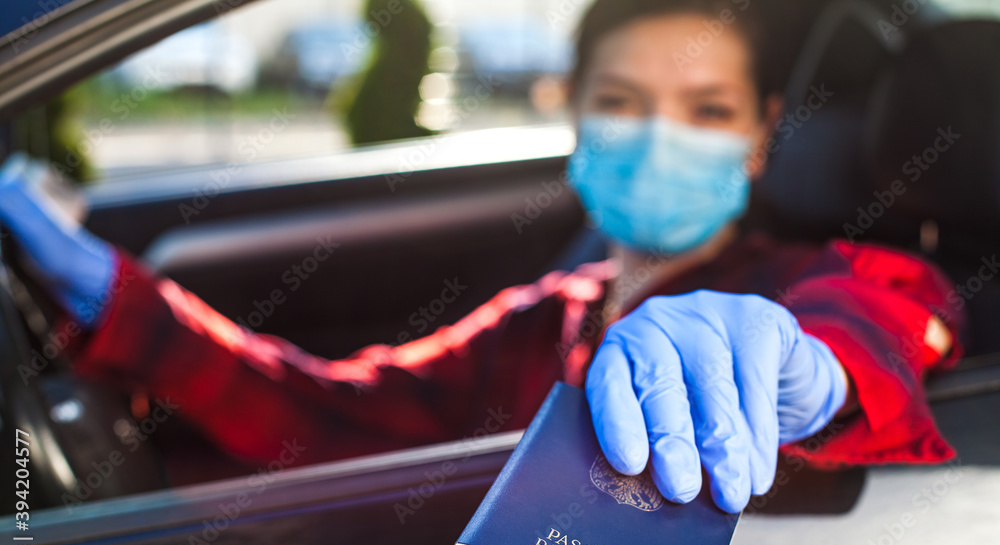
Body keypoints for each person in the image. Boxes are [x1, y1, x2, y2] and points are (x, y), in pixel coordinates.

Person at [0, 0, 963, 514]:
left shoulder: (802, 283)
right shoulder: (547, 312)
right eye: (622, 102)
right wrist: (112, 291)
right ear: (576, 114)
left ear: (759, 140)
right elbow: (331, 407)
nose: (662, 135)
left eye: (708, 111)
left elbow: (886, 313)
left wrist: (809, 371)